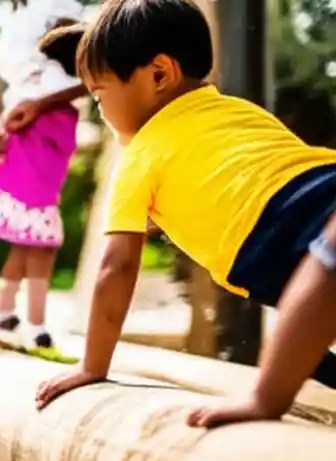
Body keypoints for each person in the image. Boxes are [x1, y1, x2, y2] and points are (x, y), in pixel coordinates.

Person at [33, 0, 336, 428]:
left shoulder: (141, 155)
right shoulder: (241, 112)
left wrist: (92, 367)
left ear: (159, 73)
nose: (99, 110)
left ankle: (267, 398)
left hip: (290, 225)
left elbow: (116, 267)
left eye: (99, 95)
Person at [0, 0, 87, 353]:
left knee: (34, 234)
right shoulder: (17, 15)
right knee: (34, 235)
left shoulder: (61, 7)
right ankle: (28, 323)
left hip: (48, 124)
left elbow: (91, 74)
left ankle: (12, 316)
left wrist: (41, 105)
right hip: (22, 126)